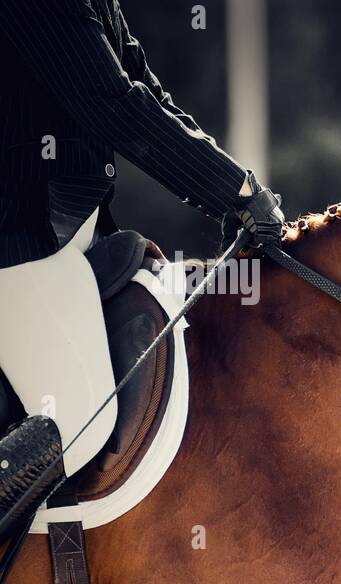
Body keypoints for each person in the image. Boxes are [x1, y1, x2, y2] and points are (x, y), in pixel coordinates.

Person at [0, 0, 283, 519]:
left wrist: (233, 187)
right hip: (16, 237)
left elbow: (143, 85)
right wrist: (233, 190)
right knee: (76, 422)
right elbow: (111, 103)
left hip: (68, 230)